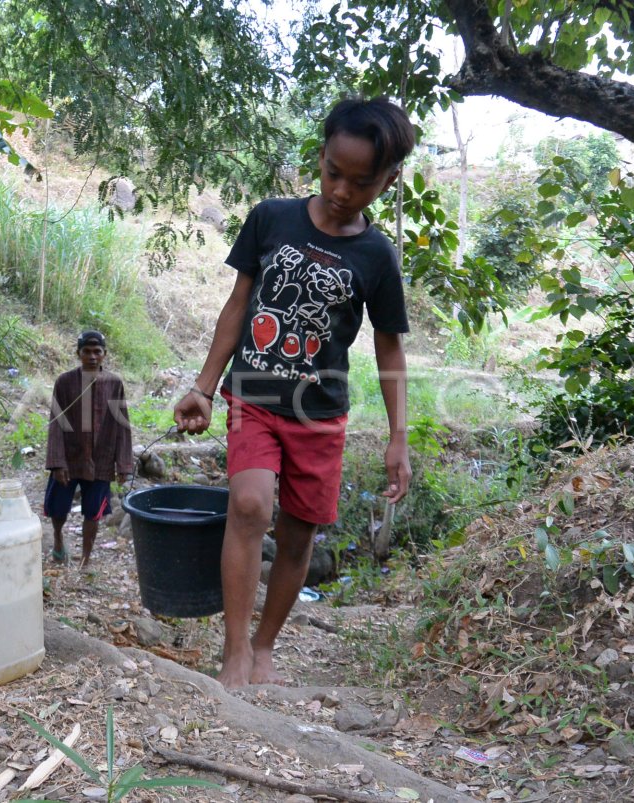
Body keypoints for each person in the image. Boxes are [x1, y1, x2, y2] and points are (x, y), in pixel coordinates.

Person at [173, 97, 415, 688]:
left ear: (388, 181)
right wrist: (204, 386)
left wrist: (398, 437)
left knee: (300, 532)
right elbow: (239, 305)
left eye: (362, 182)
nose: (341, 191)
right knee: (251, 505)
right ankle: (233, 651)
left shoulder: (378, 257)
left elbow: (389, 348)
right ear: (322, 155)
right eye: (334, 172)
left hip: (319, 413)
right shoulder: (271, 218)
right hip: (252, 394)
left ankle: (263, 647)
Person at [45, 330, 134, 567]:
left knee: (93, 511)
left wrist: (123, 463)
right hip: (69, 456)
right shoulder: (65, 382)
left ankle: (86, 559)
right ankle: (57, 540)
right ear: (78, 353)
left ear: (105, 355)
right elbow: (56, 421)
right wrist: (57, 461)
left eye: (97, 352)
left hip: (101, 459)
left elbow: (122, 423)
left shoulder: (114, 384)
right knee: (58, 508)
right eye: (87, 351)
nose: (92, 356)